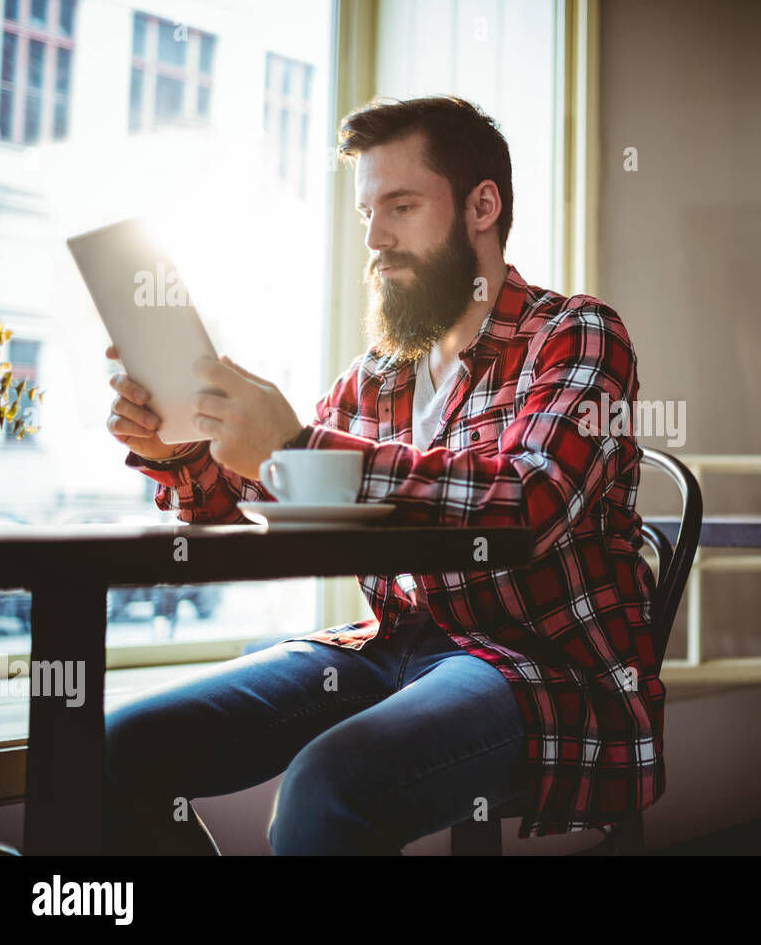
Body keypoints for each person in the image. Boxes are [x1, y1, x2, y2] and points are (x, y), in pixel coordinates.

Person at [102, 95, 665, 854]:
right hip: (384, 646)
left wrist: (300, 447)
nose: (374, 238)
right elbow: (258, 500)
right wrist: (183, 453)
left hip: (540, 667)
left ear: (482, 206)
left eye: (400, 205)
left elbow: (526, 505)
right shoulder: (378, 376)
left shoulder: (580, 335)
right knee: (111, 747)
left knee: (328, 787)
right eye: (368, 212)